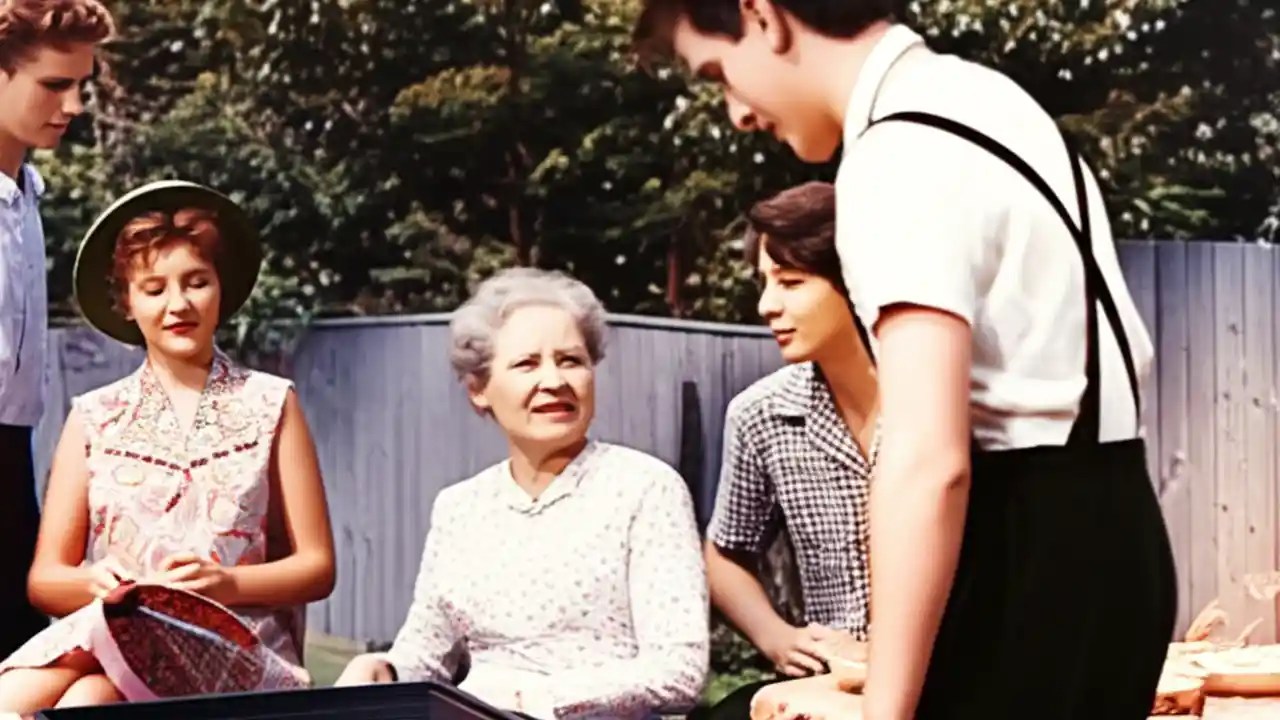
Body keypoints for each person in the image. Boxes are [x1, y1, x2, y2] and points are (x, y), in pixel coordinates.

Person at [632, 4, 1177, 719]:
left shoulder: (897, 152)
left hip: (1026, 557)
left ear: (761, 16)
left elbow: (928, 458)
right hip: (1114, 530)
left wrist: (884, 710)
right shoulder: (984, 99)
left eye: (719, 75)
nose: (737, 112)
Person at [0, 181, 337, 713]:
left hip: (238, 652)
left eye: (196, 282)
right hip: (116, 644)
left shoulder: (272, 403)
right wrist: (94, 583)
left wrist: (224, 583)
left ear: (220, 288)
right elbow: (46, 580)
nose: (178, 304)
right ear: (127, 304)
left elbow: (317, 567)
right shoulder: (93, 416)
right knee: (87, 696)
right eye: (154, 289)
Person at [335, 267, 709, 720]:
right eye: (527, 363)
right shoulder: (460, 508)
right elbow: (426, 654)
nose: (554, 380)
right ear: (479, 389)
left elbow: (679, 670)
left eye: (571, 360)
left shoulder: (644, 488)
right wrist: (384, 669)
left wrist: (539, 699)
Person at [693, 182, 875, 720]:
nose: (767, 305)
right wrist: (776, 637)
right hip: (827, 688)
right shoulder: (763, 415)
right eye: (765, 282)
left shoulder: (948, 404)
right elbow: (725, 552)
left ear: (856, 281)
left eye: (791, 282)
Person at [0, 0, 116, 660]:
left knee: (19, 658)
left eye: (81, 86)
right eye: (53, 84)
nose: (73, 105)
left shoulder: (26, 193)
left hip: (14, 457)